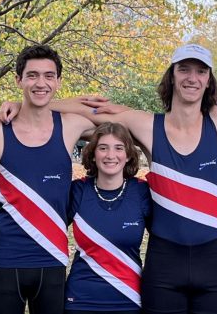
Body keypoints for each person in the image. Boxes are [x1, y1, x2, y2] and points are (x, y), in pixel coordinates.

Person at [0, 43, 217, 314]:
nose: (192, 77)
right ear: (173, 76)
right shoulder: (148, 125)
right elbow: (95, 114)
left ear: (209, 79)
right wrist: (23, 102)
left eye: (200, 71)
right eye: (184, 69)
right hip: (165, 263)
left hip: (212, 262)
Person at [0, 45, 95, 314]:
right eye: (32, 76)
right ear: (18, 80)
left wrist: (30, 101)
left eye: (49, 76)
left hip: (52, 262)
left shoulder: (71, 125)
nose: (41, 83)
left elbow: (111, 113)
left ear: (59, 82)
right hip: (6, 262)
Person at [65, 122, 151, 314]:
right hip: (80, 299)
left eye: (119, 148)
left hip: (129, 297)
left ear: (128, 155)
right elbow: (47, 220)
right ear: (93, 155)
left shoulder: (141, 191)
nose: (110, 155)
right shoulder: (78, 190)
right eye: (103, 148)